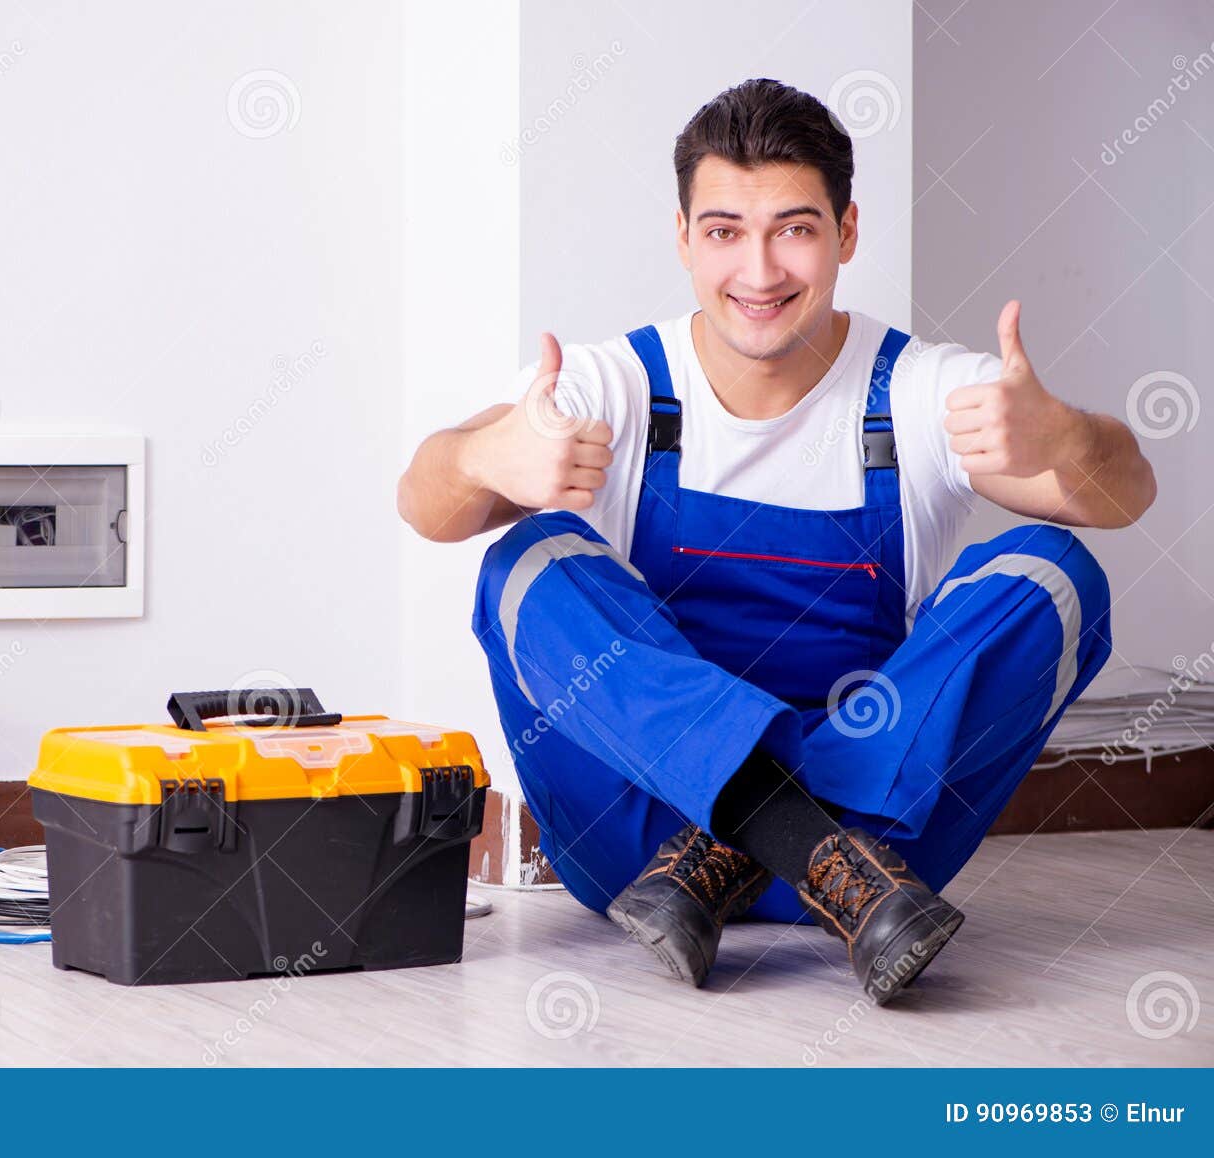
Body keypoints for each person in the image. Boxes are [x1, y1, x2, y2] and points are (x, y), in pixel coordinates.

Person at [397, 78, 1156, 1006]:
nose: (758, 272)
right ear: (684, 239)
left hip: (876, 838)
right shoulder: (618, 383)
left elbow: (1128, 494)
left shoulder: (915, 391)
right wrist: (486, 457)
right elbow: (425, 504)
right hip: (650, 847)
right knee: (526, 557)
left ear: (846, 233)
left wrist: (1067, 440)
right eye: (724, 231)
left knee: (1058, 569)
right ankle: (801, 841)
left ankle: (742, 856)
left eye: (794, 229)